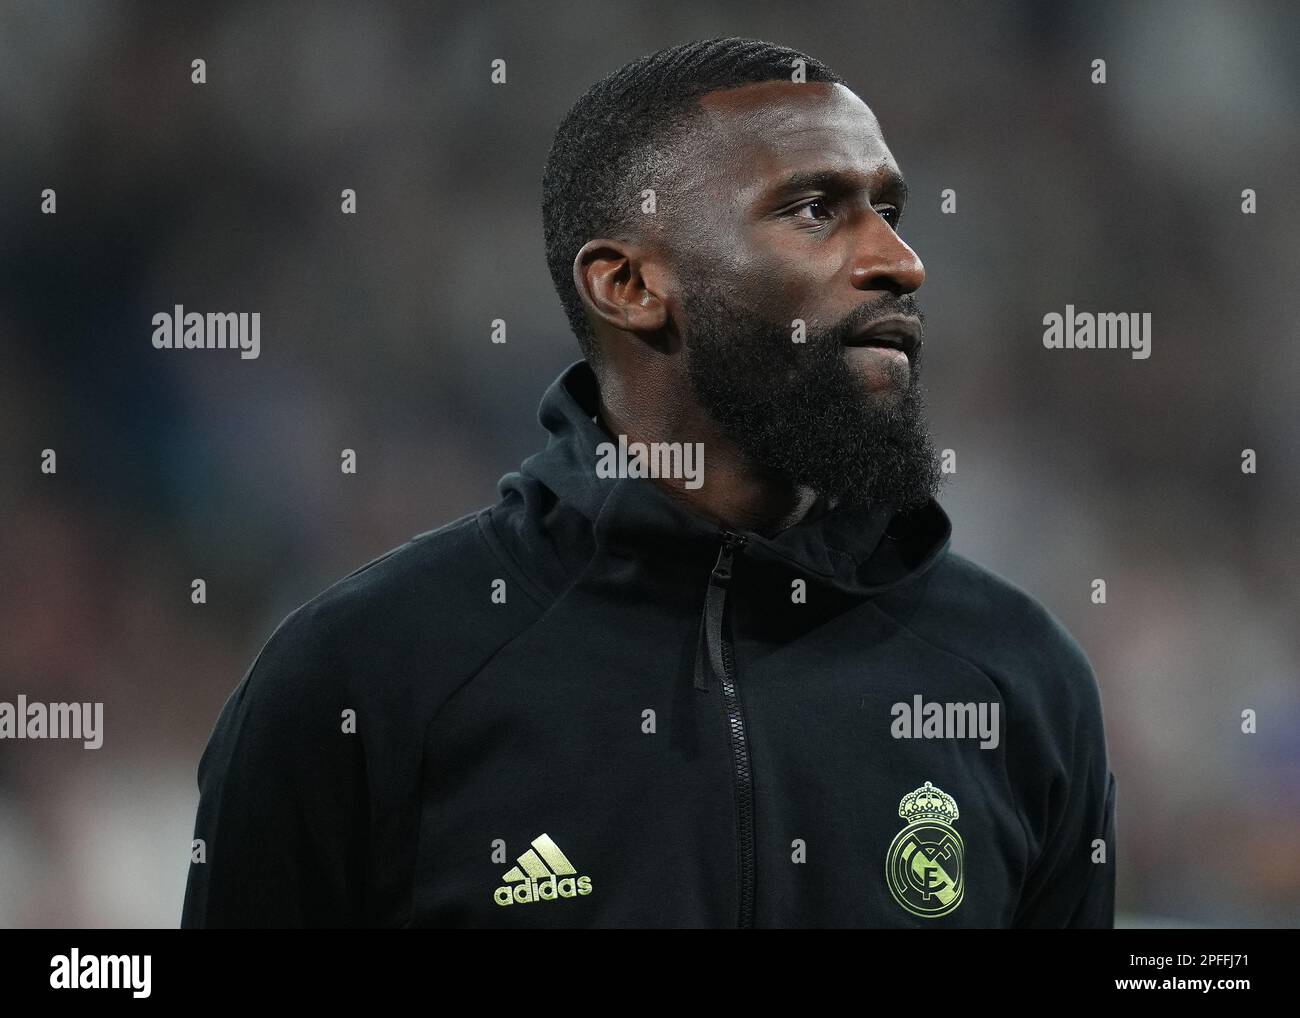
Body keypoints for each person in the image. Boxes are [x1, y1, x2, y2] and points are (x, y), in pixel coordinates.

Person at [182, 35, 1116, 928]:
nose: (898, 261)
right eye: (815, 210)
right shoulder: (365, 678)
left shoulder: (1017, 681)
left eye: (889, 211)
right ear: (627, 284)